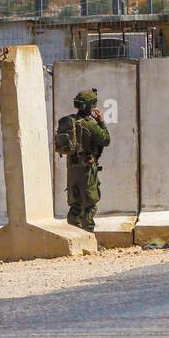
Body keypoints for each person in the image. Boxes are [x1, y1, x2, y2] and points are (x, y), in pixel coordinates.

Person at [57, 89, 110, 234]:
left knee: (76, 204)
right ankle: (88, 239)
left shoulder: (68, 121)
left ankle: (74, 235)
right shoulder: (90, 124)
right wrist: (101, 122)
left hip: (72, 169)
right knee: (90, 204)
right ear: (89, 106)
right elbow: (105, 140)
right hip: (87, 169)